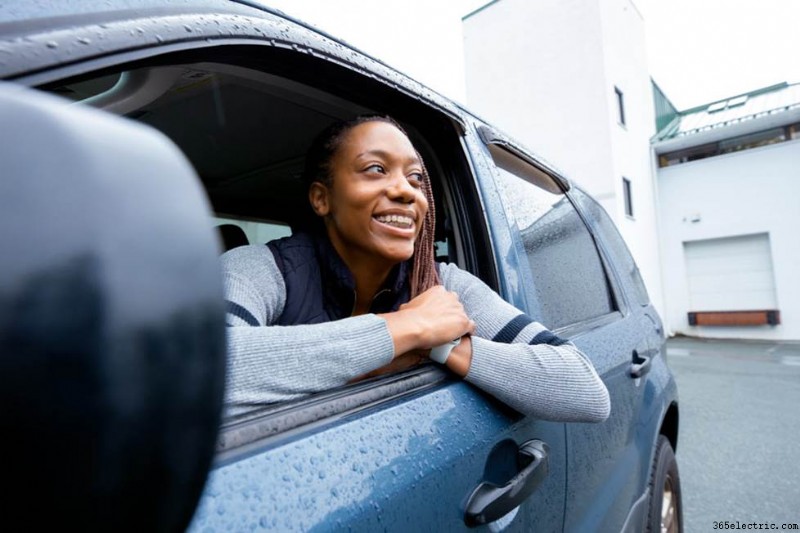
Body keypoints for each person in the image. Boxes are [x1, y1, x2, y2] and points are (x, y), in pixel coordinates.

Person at [222, 115, 610, 422]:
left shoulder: (446, 286)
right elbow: (194, 373)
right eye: (375, 169)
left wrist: (442, 346)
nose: (408, 191)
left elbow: (585, 389)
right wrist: (408, 329)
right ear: (321, 198)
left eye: (416, 178)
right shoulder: (260, 269)